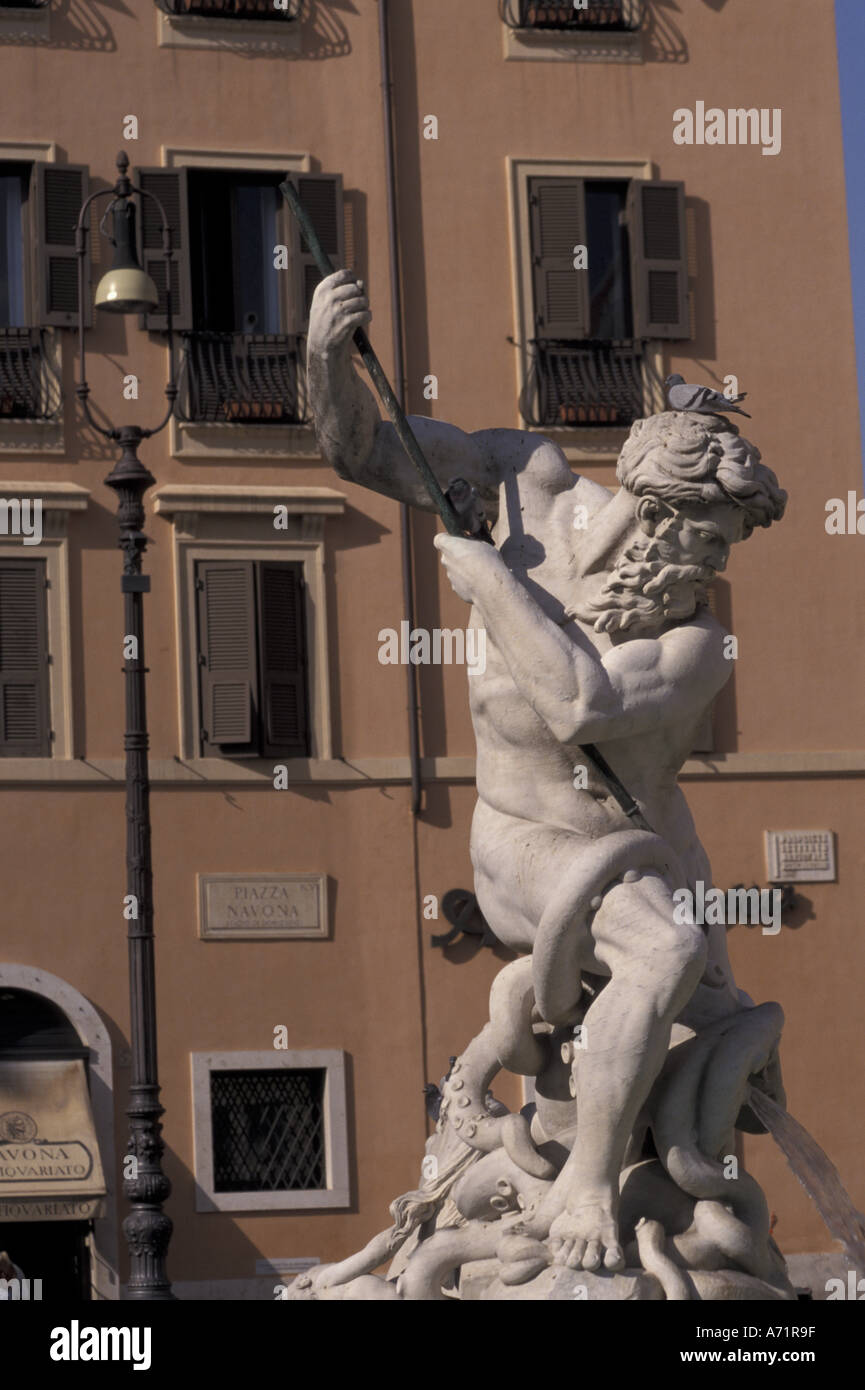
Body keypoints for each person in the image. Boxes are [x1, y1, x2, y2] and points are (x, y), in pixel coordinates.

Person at [307, 269, 786, 1273]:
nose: (711, 566)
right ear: (651, 507)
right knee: (656, 955)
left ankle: (680, 1206)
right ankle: (578, 1182)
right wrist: (322, 355)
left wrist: (487, 584)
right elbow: (359, 447)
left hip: (654, 850)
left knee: (740, 1046)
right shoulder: (521, 490)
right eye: (708, 537)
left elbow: (580, 705)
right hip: (527, 843)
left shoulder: (694, 642)